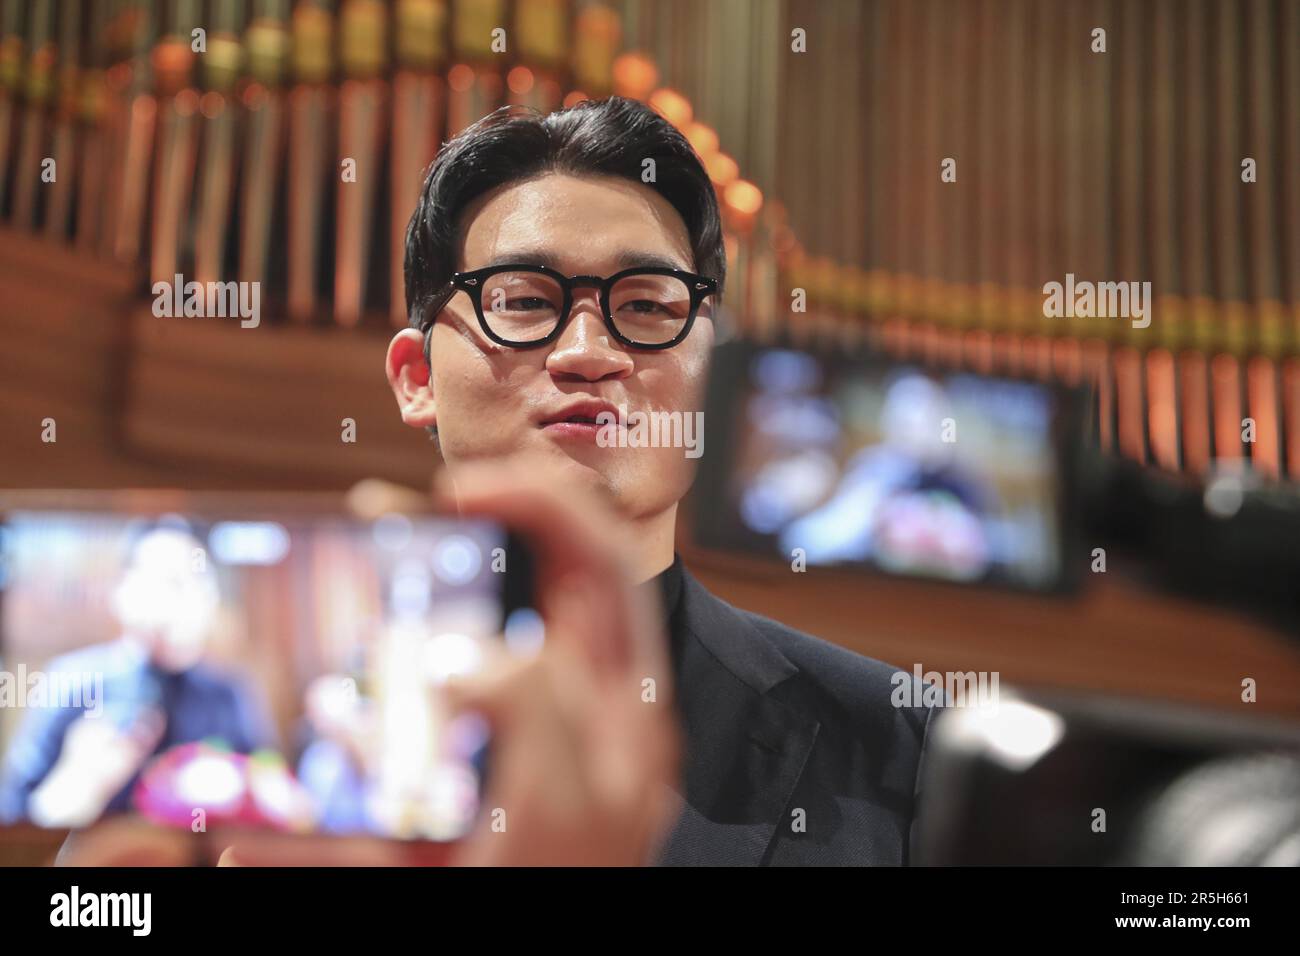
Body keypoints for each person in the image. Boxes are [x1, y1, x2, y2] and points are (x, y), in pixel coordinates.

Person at [383, 97, 936, 865]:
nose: (587, 352)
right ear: (418, 379)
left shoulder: (902, 744)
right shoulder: (293, 711)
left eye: (645, 304)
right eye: (521, 300)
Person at [0, 523, 272, 827]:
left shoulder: (228, 692)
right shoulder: (73, 681)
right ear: (123, 592)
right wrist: (73, 789)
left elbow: (272, 795)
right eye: (165, 582)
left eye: (196, 581)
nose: (182, 600)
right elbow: (14, 815)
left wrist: (240, 787)